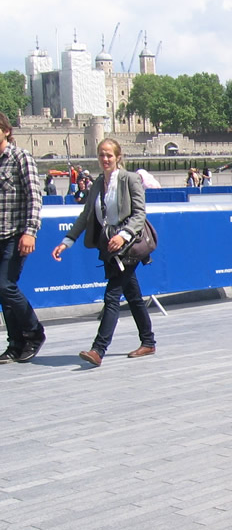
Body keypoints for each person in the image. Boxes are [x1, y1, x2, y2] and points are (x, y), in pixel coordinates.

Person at [52, 138, 156, 367]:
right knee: (133, 295)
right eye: (101, 155)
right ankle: (148, 341)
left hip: (129, 245)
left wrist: (123, 235)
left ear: (118, 156)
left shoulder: (130, 179)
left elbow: (139, 214)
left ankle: (98, 349)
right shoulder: (98, 183)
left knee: (112, 296)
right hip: (109, 246)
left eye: (109, 155)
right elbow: (86, 216)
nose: (105, 159)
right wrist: (67, 241)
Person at [0, 111, 46, 363]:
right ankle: (16, 343)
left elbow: (34, 196)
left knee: (5, 285)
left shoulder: (20, 157)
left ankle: (34, 331)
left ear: (7, 131)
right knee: (4, 292)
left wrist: (30, 232)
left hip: (14, 234)